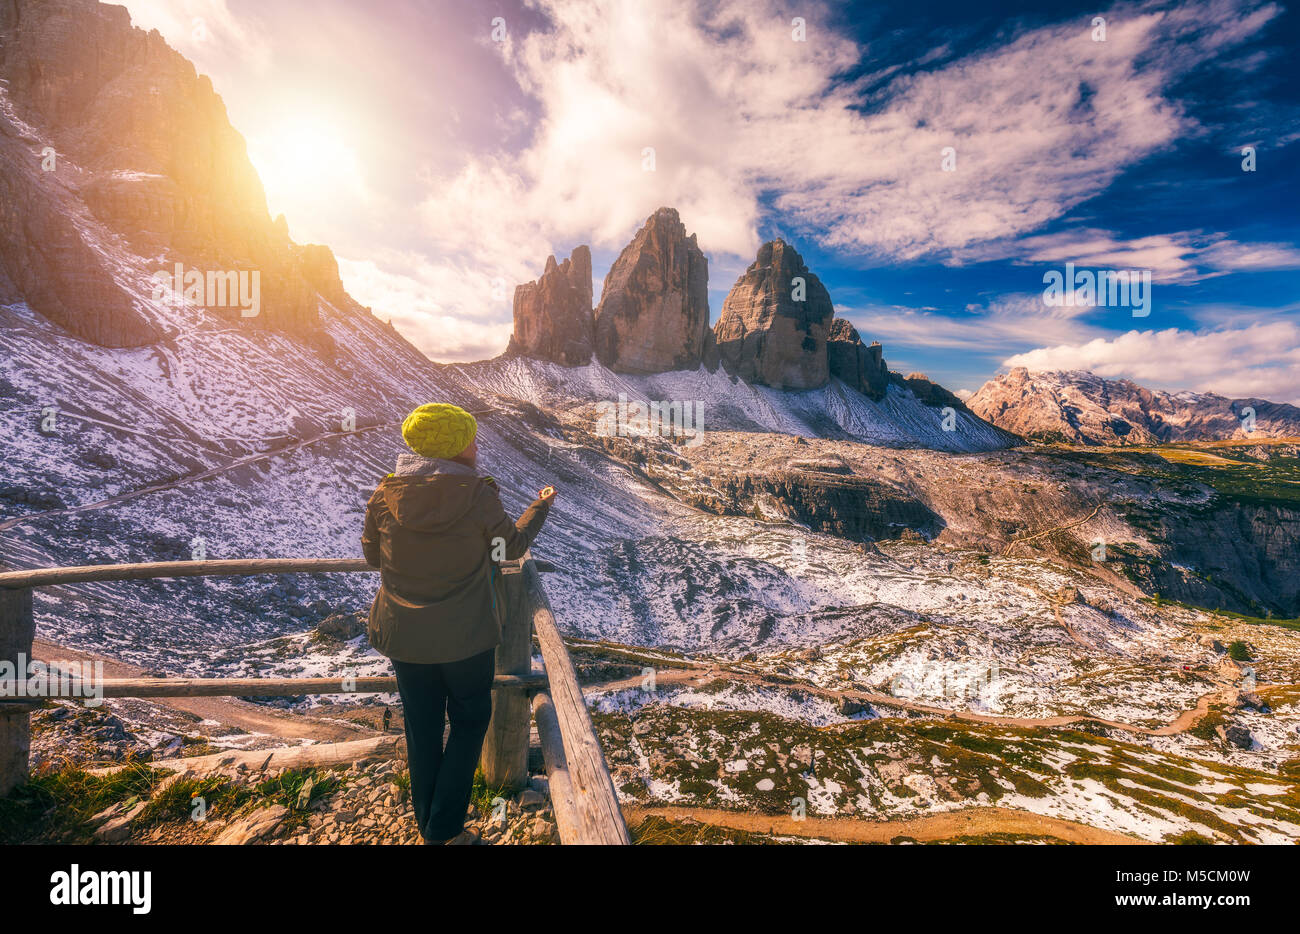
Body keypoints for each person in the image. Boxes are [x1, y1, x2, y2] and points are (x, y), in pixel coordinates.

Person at [362, 402, 554, 845]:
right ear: (453, 447)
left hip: (404, 635)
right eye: (469, 438)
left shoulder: (385, 493)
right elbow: (510, 548)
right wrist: (539, 507)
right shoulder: (477, 494)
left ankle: (430, 826)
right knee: (470, 721)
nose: (476, 445)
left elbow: (374, 557)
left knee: (422, 726)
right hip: (467, 637)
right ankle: (443, 829)